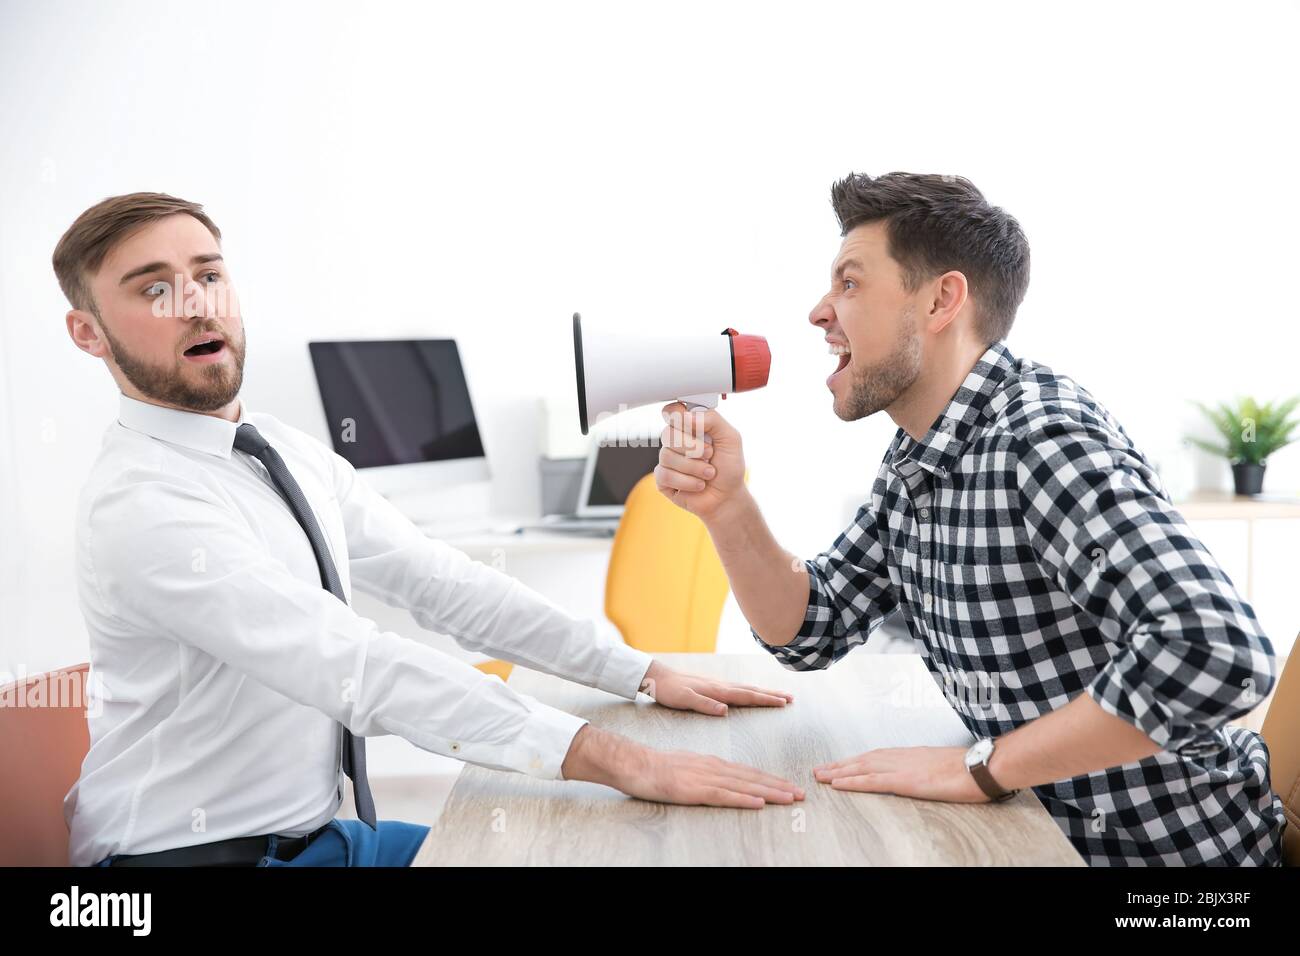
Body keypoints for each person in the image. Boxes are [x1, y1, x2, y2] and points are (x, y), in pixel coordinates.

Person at [55, 192, 803, 868]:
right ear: (88, 334)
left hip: (324, 840)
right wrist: (615, 759)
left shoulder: (279, 449)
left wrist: (633, 671)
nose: (196, 304)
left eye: (209, 275)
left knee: (586, 853)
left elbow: (441, 582)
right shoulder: (140, 506)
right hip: (193, 859)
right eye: (154, 288)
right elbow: (357, 665)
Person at [655, 171, 1286, 866]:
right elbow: (812, 626)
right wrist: (728, 506)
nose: (818, 311)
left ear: (940, 300)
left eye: (850, 282)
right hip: (1037, 838)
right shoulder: (919, 455)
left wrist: (980, 768)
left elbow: (1217, 652)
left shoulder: (1041, 439)